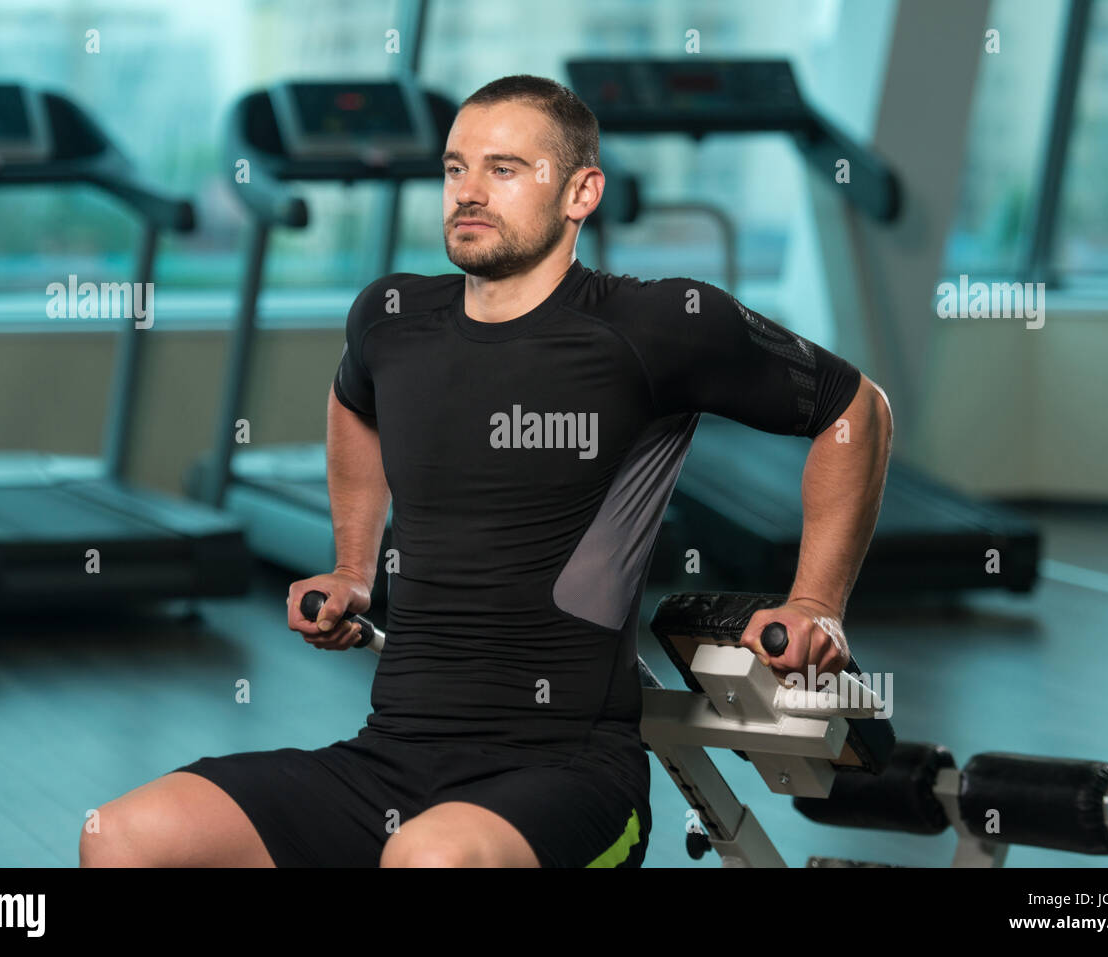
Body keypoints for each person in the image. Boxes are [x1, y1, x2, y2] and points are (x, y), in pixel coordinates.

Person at [79, 74, 892, 869]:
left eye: (503, 170)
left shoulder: (654, 325)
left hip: (571, 772)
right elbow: (352, 400)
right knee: (121, 837)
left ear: (581, 193)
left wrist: (816, 601)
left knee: (428, 856)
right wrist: (354, 567)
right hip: (391, 760)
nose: (468, 190)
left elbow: (855, 407)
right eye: (455, 167)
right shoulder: (393, 318)